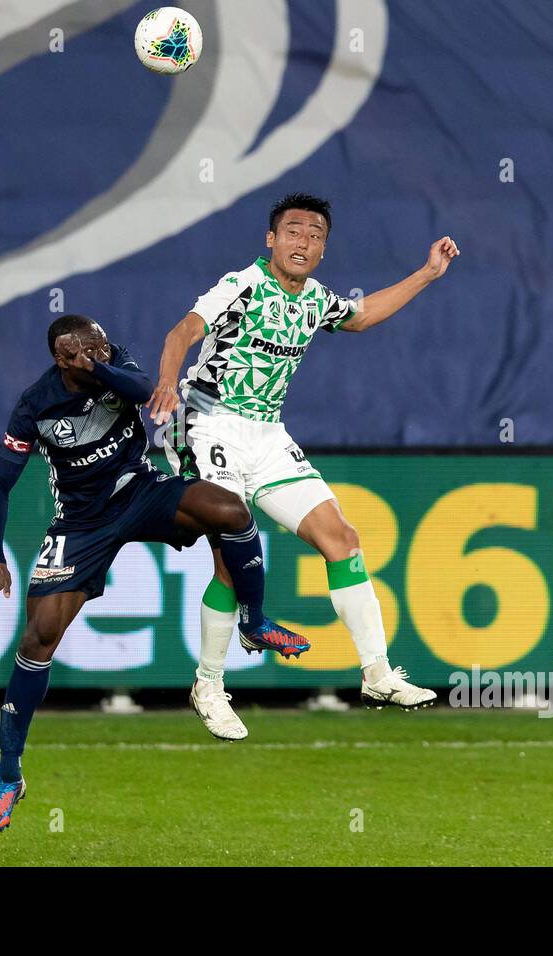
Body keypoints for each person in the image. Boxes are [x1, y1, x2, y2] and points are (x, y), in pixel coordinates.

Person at [0, 314, 308, 832]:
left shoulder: (113, 361)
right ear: (62, 359)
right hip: (81, 523)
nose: (101, 350)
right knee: (39, 638)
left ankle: (253, 621)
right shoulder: (36, 405)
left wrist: (99, 364)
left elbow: (144, 389)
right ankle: (9, 775)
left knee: (232, 512)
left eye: (102, 342)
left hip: (142, 490)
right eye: (87, 349)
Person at [148, 192, 458, 738]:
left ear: (322, 251)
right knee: (231, 557)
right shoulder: (240, 285)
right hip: (206, 422)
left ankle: (377, 673)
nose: (304, 242)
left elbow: (361, 317)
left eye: (316, 236)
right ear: (271, 239)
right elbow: (183, 332)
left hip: (267, 435)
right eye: (293, 231)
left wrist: (427, 274)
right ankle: (210, 685)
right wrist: (169, 382)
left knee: (342, 539)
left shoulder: (314, 300)